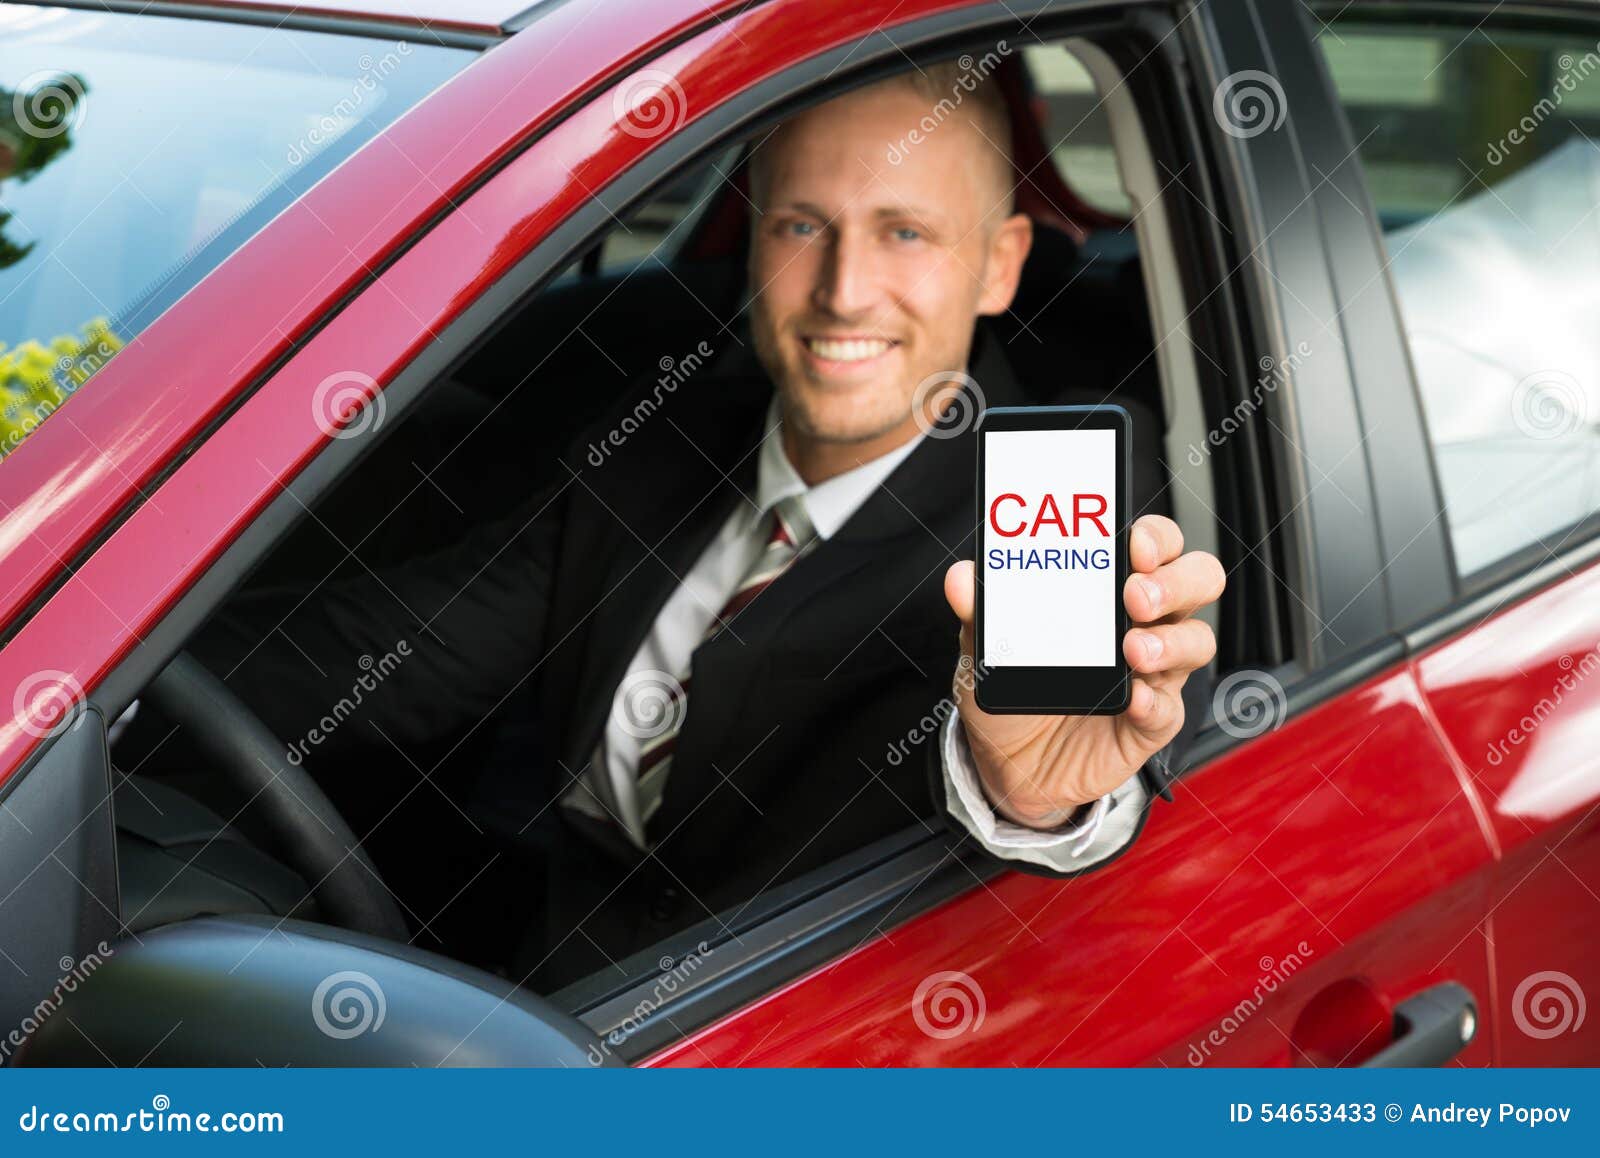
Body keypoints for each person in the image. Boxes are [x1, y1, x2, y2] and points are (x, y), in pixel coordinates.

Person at [176, 61, 1224, 985]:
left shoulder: (1056, 502)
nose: (843, 291)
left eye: (904, 233)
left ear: (998, 264)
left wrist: (1033, 802)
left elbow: (1059, 764)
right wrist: (118, 677)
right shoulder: (664, 434)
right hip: (539, 1002)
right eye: (802, 226)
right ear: (753, 236)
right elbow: (399, 645)